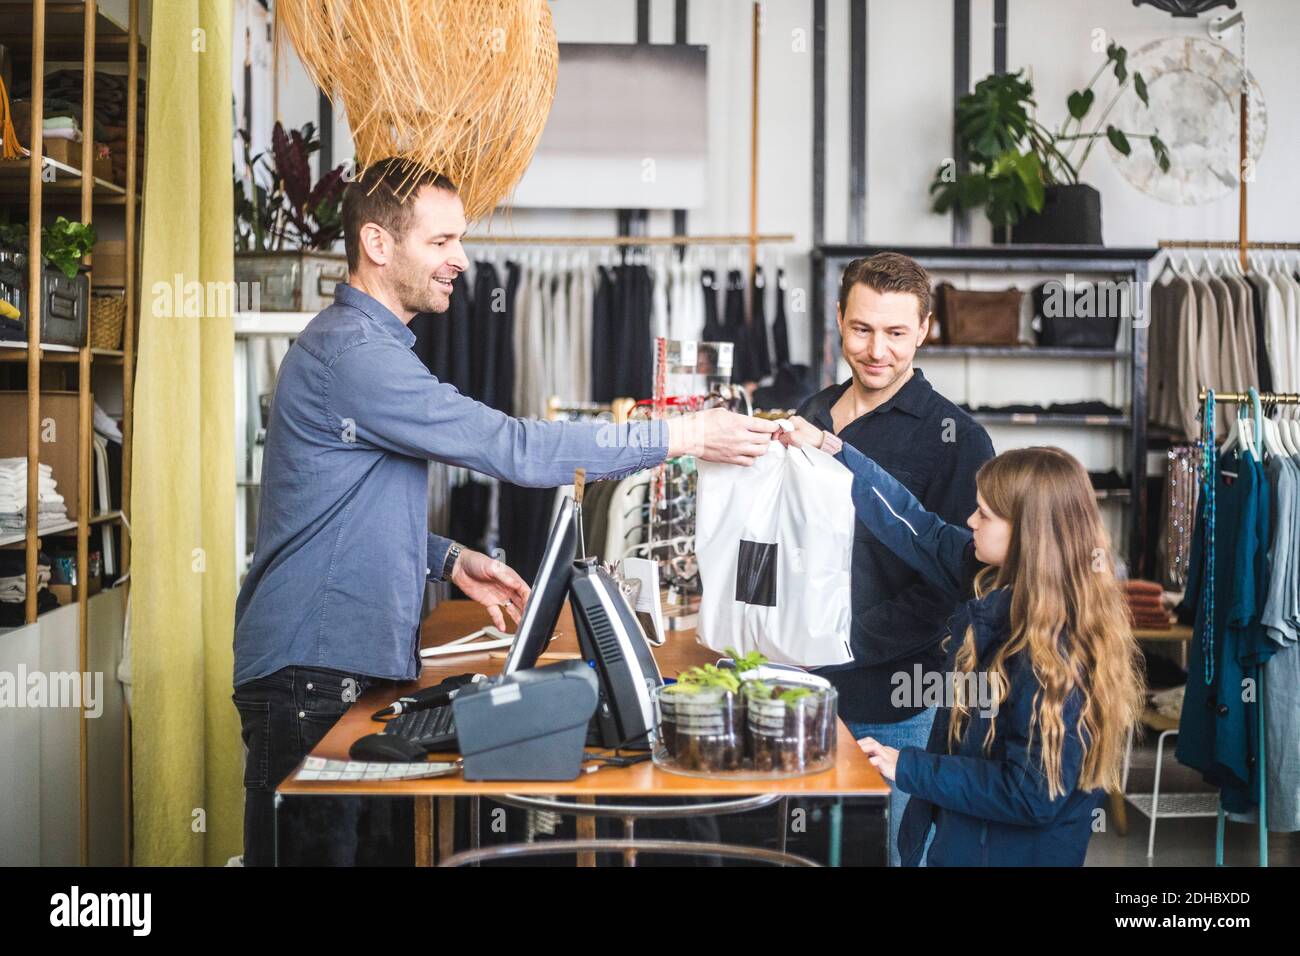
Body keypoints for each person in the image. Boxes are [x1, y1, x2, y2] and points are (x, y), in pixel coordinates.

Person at [232, 158, 779, 865]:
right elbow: (514, 447)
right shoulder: (356, 356)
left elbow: (334, 502)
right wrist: (684, 432)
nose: (461, 259)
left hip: (329, 667)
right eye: (440, 242)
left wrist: (450, 559)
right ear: (376, 244)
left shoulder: (370, 349)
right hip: (310, 676)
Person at [779, 421, 1145, 866]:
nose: (970, 520)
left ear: (1028, 534)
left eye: (985, 514)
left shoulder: (1057, 652)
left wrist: (910, 767)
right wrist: (829, 448)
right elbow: (915, 525)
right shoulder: (995, 582)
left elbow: (1033, 796)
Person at [794, 252, 994, 864]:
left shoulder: (958, 438)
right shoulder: (810, 414)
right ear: (838, 318)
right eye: (862, 329)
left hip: (897, 701)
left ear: (924, 329)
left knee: (893, 855)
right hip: (802, 688)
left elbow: (950, 586)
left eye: (896, 332)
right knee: (808, 850)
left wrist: (836, 640)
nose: (876, 349)